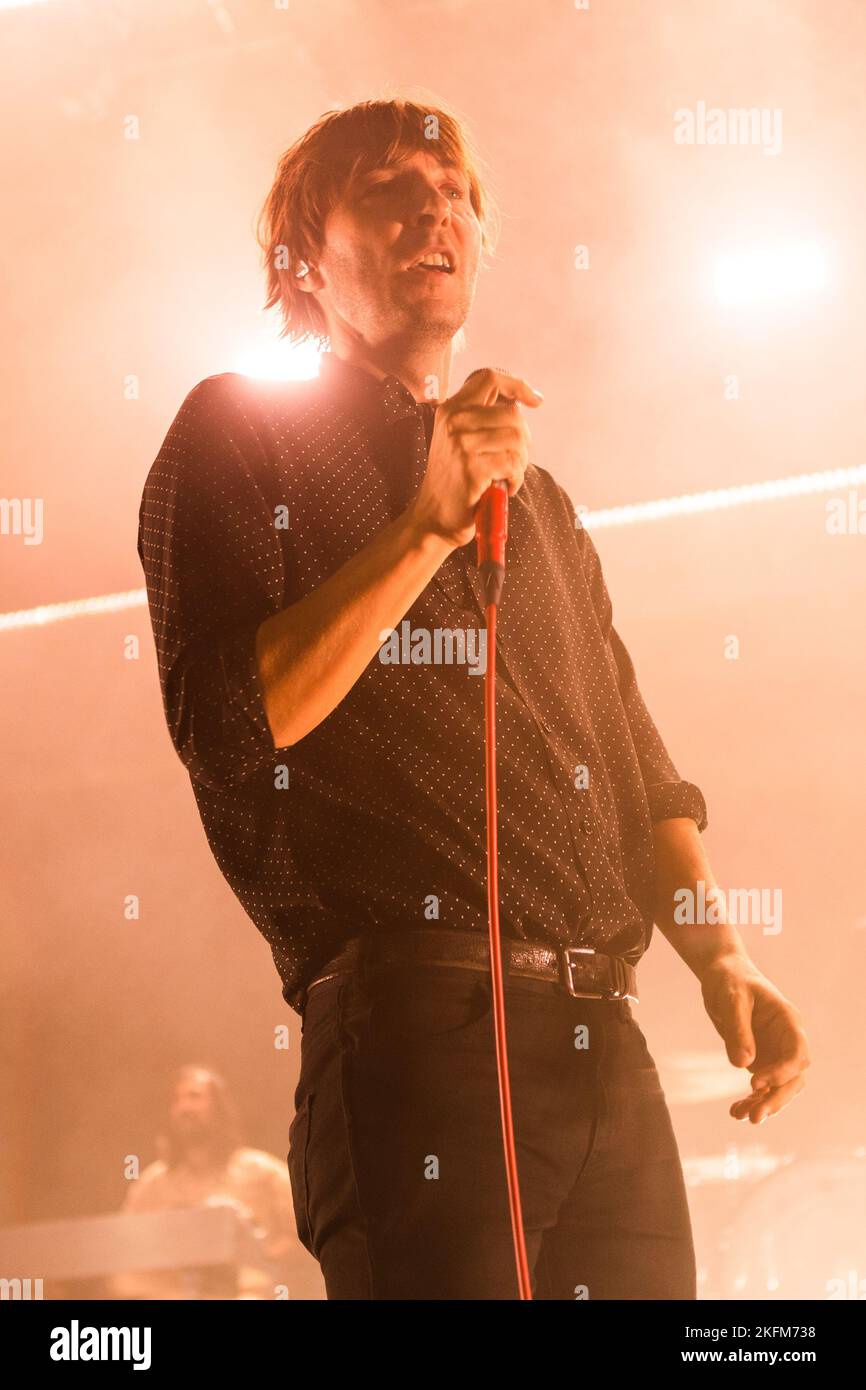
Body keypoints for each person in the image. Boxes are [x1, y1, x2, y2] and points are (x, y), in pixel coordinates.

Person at [137, 96, 810, 1300]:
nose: (433, 207)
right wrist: (421, 530)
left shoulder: (540, 506)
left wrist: (720, 958)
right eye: (389, 187)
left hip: (607, 1043)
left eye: (452, 192)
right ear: (303, 255)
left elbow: (637, 766)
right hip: (419, 1031)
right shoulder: (237, 434)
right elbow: (230, 724)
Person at [112, 1065, 320, 1299]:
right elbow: (123, 1255)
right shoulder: (153, 1185)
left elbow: (310, 1234)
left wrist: (254, 1254)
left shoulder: (263, 1173)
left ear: (219, 1108)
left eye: (194, 1096)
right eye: (177, 1100)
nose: (185, 1107)